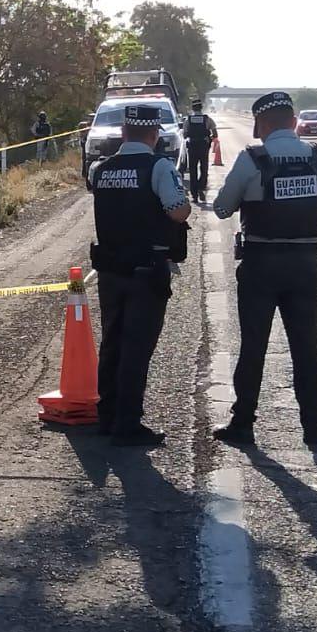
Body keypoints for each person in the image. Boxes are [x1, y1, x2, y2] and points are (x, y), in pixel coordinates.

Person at [211, 91, 317, 450]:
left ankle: (243, 424)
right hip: (306, 264)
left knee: (253, 347)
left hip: (261, 264)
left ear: (262, 124)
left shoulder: (253, 160)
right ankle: (314, 429)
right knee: (306, 349)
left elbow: (222, 208)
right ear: (294, 122)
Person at [88, 103, 192, 446]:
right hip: (147, 272)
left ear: (122, 133)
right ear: (154, 135)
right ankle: (128, 424)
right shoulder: (159, 167)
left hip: (109, 272)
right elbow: (178, 212)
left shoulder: (101, 169)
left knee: (112, 342)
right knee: (137, 347)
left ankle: (108, 415)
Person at [183, 98, 219, 201]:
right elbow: (215, 134)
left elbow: (185, 135)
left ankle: (194, 195)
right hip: (203, 146)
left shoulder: (188, 120)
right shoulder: (207, 119)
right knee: (204, 169)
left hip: (192, 147)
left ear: (192, 108)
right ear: (201, 108)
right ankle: (201, 187)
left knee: (193, 170)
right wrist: (209, 139)